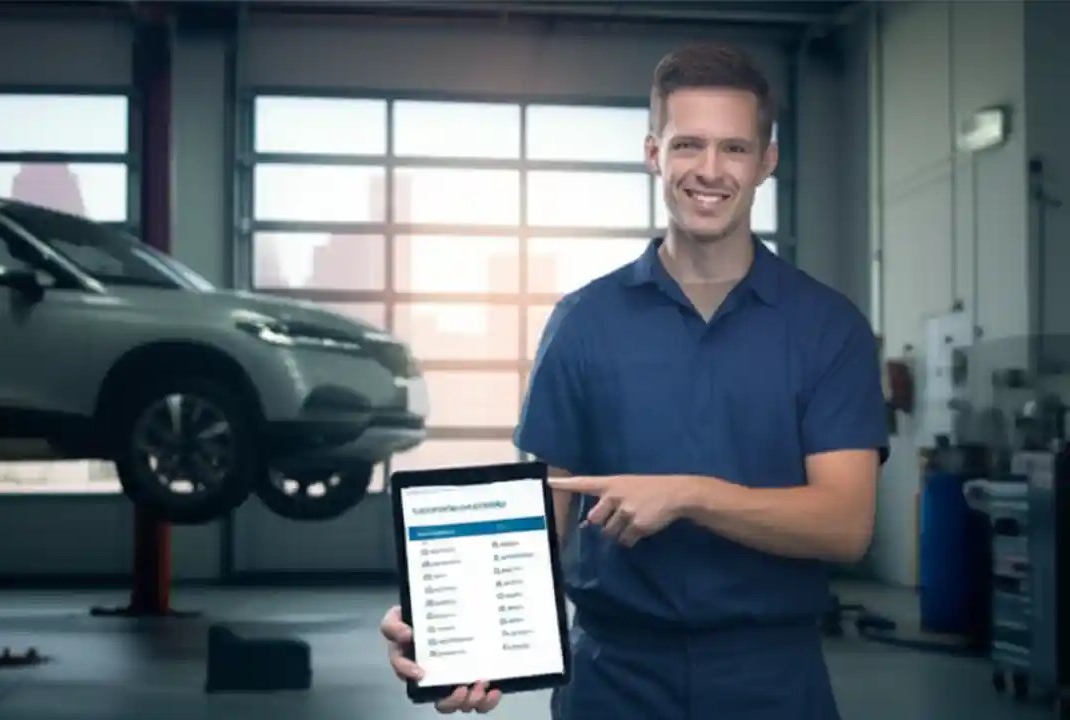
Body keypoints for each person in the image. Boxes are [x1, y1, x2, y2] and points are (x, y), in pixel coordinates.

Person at [379, 41, 888, 719]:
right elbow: (545, 515)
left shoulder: (830, 328)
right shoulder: (583, 321)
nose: (709, 171)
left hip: (772, 680)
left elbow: (845, 524)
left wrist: (689, 495)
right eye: (688, 146)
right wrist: (454, 634)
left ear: (767, 161)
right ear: (653, 153)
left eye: (734, 149)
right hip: (612, 681)